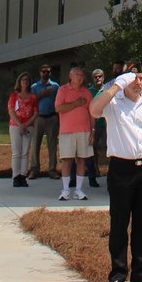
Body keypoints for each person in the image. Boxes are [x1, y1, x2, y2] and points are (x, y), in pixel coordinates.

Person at [90, 61, 142, 282]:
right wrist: (114, 86)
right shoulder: (113, 103)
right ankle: (118, 274)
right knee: (119, 224)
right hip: (121, 169)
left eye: (141, 78)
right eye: (133, 78)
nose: (138, 83)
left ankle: (141, 275)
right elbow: (94, 110)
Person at [55, 65, 94, 201]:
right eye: (77, 74)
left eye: (82, 75)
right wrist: (77, 103)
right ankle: (65, 190)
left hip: (84, 131)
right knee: (67, 160)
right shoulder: (62, 90)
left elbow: (92, 113)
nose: (80, 77)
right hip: (67, 131)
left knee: (82, 160)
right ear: (70, 76)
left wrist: (92, 132)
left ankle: (79, 189)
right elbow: (59, 107)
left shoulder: (87, 92)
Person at [29, 63, 60, 180]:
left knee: (52, 145)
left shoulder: (55, 86)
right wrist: (42, 94)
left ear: (50, 73)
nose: (45, 73)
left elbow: (59, 102)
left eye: (48, 71)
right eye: (43, 71)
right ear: (40, 72)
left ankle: (52, 170)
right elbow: (30, 103)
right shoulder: (34, 87)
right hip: (39, 118)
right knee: (35, 144)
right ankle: (34, 170)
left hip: (52, 117)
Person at [7, 73, 37, 187]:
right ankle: (15, 176)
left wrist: (26, 125)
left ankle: (23, 176)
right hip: (15, 126)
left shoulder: (33, 97)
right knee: (16, 152)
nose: (25, 82)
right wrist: (20, 125)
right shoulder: (14, 95)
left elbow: (35, 113)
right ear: (19, 82)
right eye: (23, 80)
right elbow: (11, 111)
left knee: (25, 152)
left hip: (28, 126)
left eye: (27, 80)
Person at [88, 67, 107, 186]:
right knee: (93, 149)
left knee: (107, 147)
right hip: (94, 124)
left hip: (106, 123)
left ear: (103, 77)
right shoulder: (89, 91)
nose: (98, 78)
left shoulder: (108, 90)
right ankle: (95, 171)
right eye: (95, 77)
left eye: (100, 76)